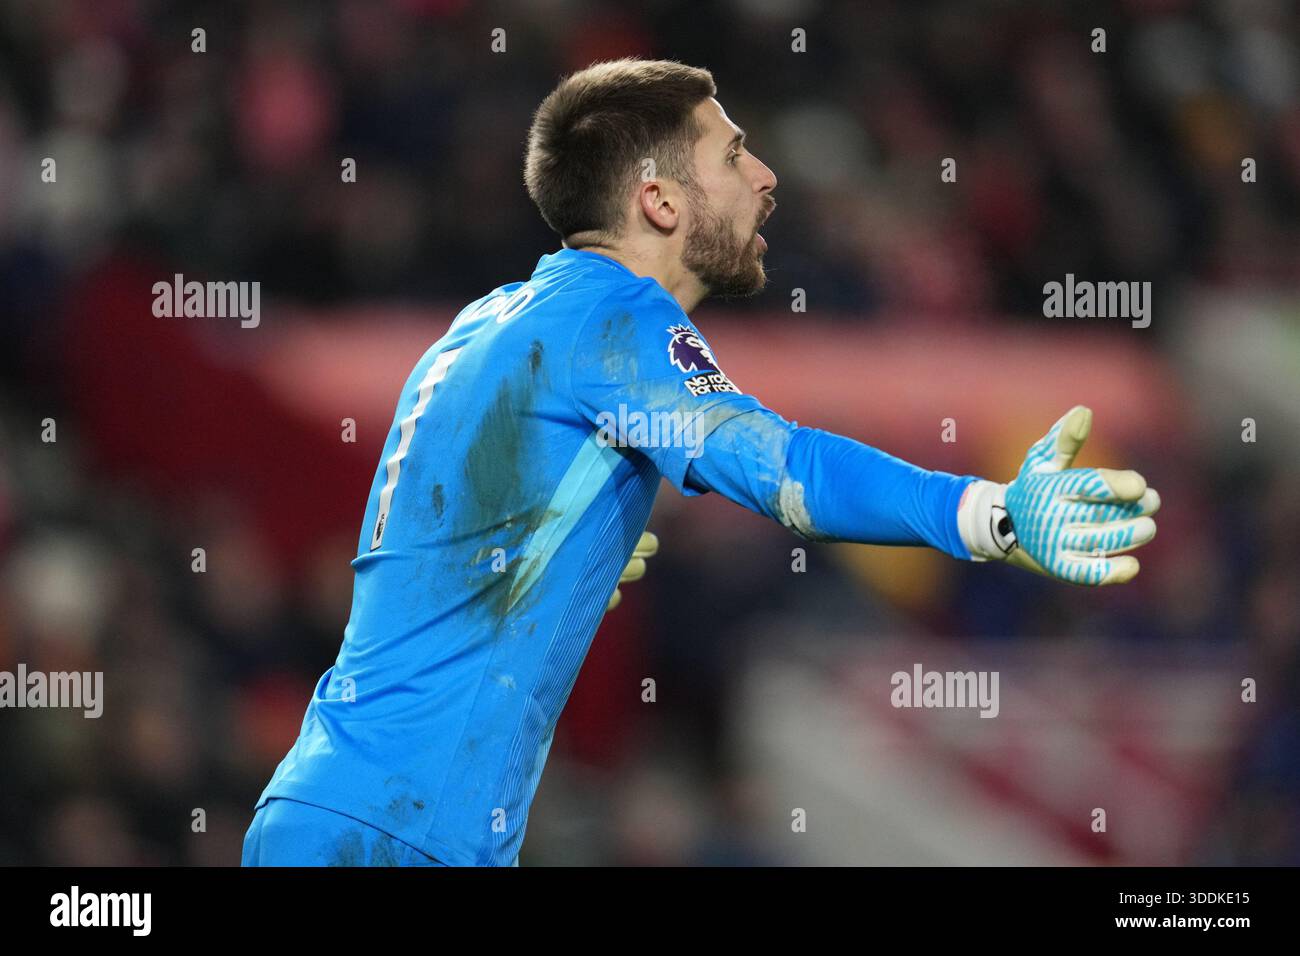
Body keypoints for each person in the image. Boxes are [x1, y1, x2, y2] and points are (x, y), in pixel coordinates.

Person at [243, 58, 1159, 867]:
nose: (765, 179)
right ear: (662, 201)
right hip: (396, 837)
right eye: (732, 156)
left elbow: (422, 544)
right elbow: (785, 469)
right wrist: (987, 514)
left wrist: (545, 560)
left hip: (336, 807)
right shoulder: (614, 318)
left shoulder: (485, 322)